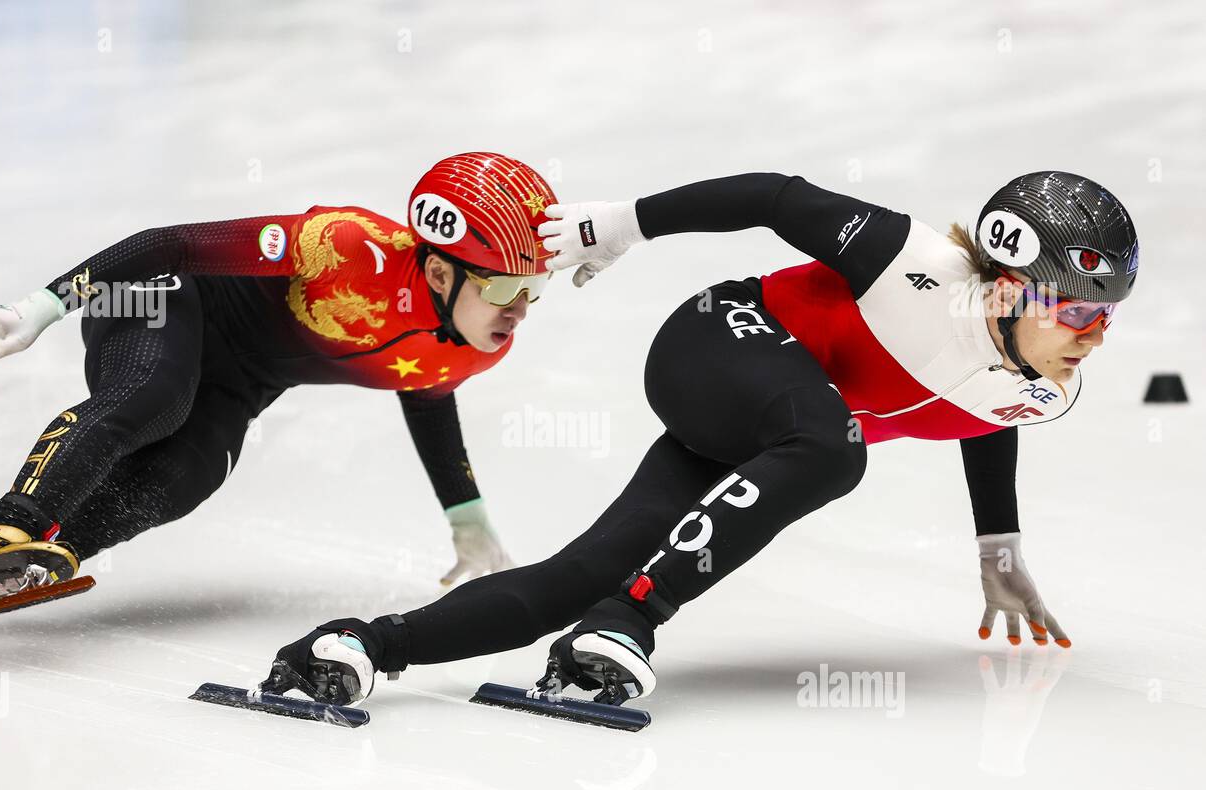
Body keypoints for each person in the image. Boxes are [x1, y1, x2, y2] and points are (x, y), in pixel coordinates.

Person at [261, 169, 1138, 709]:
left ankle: (361, 646)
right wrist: (626, 222)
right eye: (1074, 309)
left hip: (770, 427)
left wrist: (998, 543)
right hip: (719, 339)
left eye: (1105, 316)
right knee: (836, 448)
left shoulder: (1046, 385)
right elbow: (774, 198)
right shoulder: (906, 261)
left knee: (574, 578)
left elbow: (990, 416)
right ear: (1000, 290)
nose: (1092, 333)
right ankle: (632, 621)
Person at [0, 153, 557, 617]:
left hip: (238, 382)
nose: (520, 309)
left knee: (192, 473)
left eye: (534, 288)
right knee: (154, 398)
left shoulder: (480, 344)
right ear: (441, 273)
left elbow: (426, 389)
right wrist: (42, 305)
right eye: (504, 288)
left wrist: (466, 516)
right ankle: (10, 530)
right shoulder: (349, 247)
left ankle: (11, 561)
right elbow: (174, 244)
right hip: (161, 298)